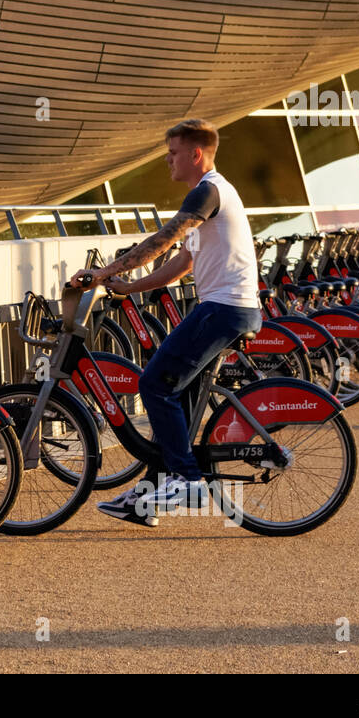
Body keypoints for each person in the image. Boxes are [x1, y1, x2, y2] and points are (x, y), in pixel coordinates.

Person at [69, 118, 263, 521]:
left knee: (154, 385)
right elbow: (182, 261)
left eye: (173, 154)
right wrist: (127, 287)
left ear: (196, 154)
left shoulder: (209, 191)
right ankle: (150, 494)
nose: (167, 161)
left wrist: (103, 273)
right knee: (181, 396)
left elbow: (165, 239)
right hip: (230, 307)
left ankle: (187, 480)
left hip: (224, 308)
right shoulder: (211, 193)